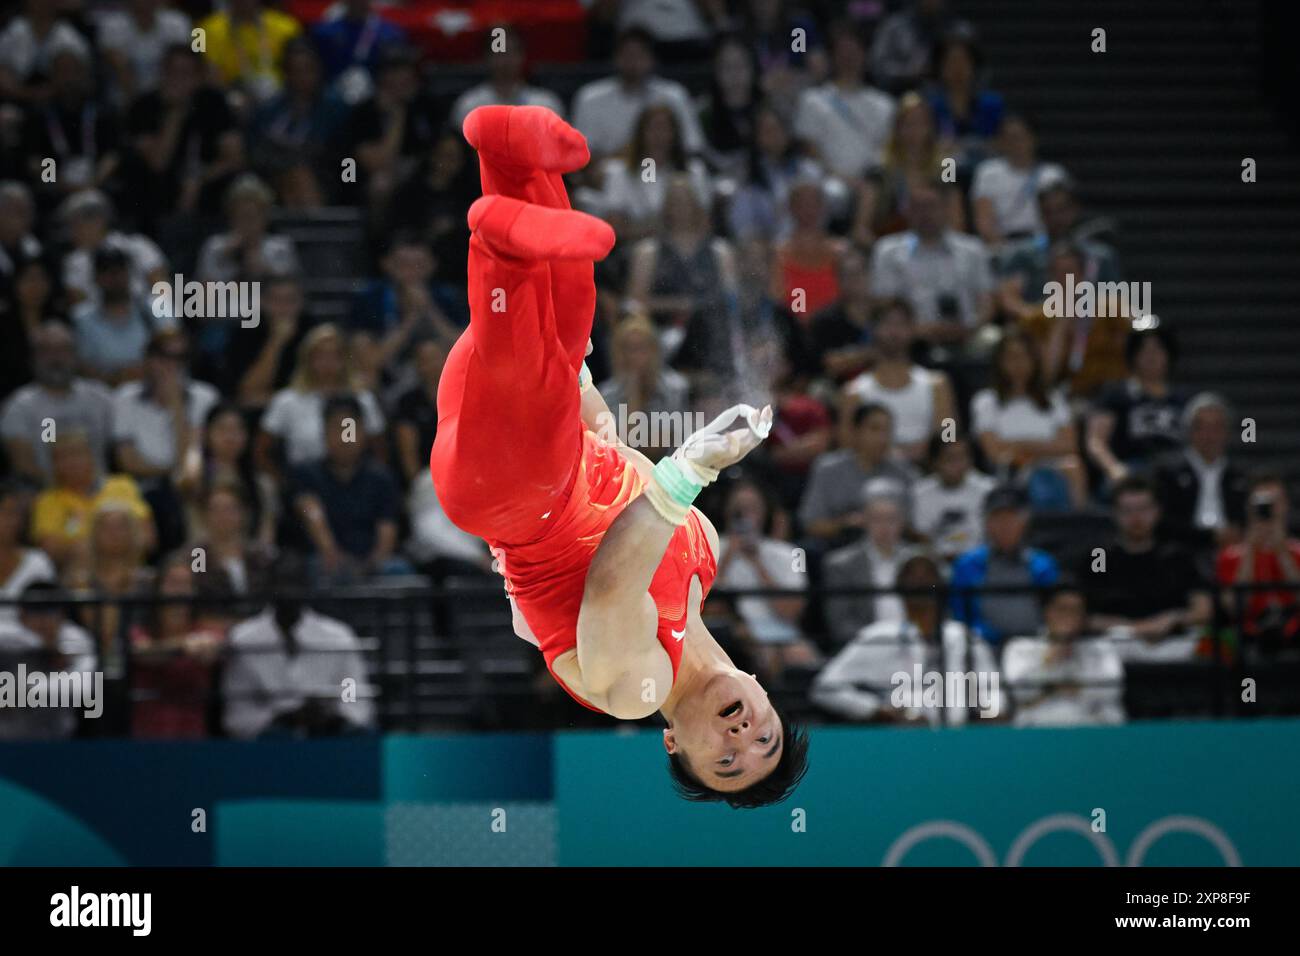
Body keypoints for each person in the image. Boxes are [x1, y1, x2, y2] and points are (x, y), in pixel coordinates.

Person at [429, 106, 807, 806]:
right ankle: (509, 154)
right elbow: (613, 453)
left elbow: (609, 583)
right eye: (766, 740)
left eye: (725, 762)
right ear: (767, 697)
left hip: (510, 488)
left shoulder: (637, 689)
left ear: (674, 745)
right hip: (538, 423)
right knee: (571, 311)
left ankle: (501, 244)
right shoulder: (706, 550)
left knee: (545, 345)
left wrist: (692, 468)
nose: (742, 737)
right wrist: (586, 389)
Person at [812, 552, 1001, 725]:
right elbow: (825, 687)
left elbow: (993, 695)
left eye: (928, 575)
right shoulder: (879, 636)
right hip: (901, 742)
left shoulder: (964, 636)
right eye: (912, 575)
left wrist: (988, 715)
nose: (920, 581)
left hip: (962, 740)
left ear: (942, 584)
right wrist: (877, 710)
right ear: (899, 584)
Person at [222, 553, 376, 738]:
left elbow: (352, 695)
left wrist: (333, 717)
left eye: (295, 583)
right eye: (282, 583)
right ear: (269, 587)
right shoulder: (244, 640)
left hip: (329, 738)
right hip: (268, 744)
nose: (288, 591)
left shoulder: (339, 638)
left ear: (308, 586)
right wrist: (284, 719)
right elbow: (238, 715)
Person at [1085, 476, 1210, 657]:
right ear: (1115, 513)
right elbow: (1081, 614)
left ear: (1157, 511)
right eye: (1127, 510)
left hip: (1171, 643)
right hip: (1116, 644)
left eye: (1143, 509)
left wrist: (1173, 619)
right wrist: (1133, 628)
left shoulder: (1178, 556)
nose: (1136, 517)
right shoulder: (1099, 557)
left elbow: (1203, 609)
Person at [290, 394, 406, 585]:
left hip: (371, 560)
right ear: (324, 433)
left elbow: (387, 529)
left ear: (363, 433)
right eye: (337, 429)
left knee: (398, 571)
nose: (344, 437)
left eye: (350, 429)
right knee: (320, 569)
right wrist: (331, 553)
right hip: (326, 559)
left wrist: (373, 563)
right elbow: (312, 515)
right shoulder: (307, 473)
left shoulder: (381, 477)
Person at [971, 329, 1085, 508]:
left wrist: (1020, 445)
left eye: (1024, 357)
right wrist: (1042, 448)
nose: (1018, 364)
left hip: (1053, 469)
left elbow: (1069, 445)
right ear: (999, 361)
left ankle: (1076, 522)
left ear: (1034, 360)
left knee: (1072, 466)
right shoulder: (986, 401)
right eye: (1012, 357)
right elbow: (993, 451)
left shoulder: (1053, 398)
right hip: (1011, 470)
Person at [712, 480, 814, 669]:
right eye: (738, 509)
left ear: (764, 512)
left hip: (780, 631)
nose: (744, 516)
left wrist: (757, 563)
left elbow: (792, 611)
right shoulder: (710, 546)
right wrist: (727, 559)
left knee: (803, 658)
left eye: (751, 509)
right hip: (730, 634)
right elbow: (704, 606)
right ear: (727, 512)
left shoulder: (790, 553)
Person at [840, 298, 957, 461]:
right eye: (887, 323)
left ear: (913, 330)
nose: (894, 331)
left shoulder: (937, 384)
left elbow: (949, 436)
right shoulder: (854, 392)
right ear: (873, 330)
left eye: (901, 324)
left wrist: (924, 451)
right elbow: (848, 447)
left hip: (926, 470)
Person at [1, 321, 115, 483]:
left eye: (64, 350)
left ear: (75, 355)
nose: (56, 358)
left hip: (102, 493)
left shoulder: (101, 398)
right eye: (46, 351)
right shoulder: (18, 406)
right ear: (33, 357)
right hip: (47, 494)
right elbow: (23, 465)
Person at [128, 551, 225, 738]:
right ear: (159, 588)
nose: (179, 591)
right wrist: (182, 646)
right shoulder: (142, 630)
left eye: (185, 585)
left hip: (191, 738)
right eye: (172, 583)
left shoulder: (205, 630)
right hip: (146, 738)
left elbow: (212, 650)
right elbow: (142, 652)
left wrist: (207, 646)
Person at [950, 483, 1060, 645]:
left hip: (1034, 648)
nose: (1004, 525)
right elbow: (960, 616)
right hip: (981, 647)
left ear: (1024, 521)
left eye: (1011, 517)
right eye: (997, 518)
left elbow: (1053, 614)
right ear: (986, 523)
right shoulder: (967, 565)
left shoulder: (1043, 565)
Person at [570, 27, 703, 160]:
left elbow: (692, 145)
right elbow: (579, 153)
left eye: (640, 55)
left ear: (652, 59)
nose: (633, 62)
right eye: (628, 55)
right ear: (616, 58)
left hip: (663, 171)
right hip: (611, 173)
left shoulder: (675, 95)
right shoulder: (590, 97)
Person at [1002, 583, 1124, 727]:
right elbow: (1019, 693)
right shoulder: (1020, 647)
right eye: (1062, 609)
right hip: (1038, 728)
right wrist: (1054, 653)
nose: (1068, 616)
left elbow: (1111, 693)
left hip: (1091, 728)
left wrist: (1050, 688)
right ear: (1047, 612)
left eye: (1076, 611)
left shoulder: (1102, 648)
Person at [798, 402, 916, 546]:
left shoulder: (902, 470)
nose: (882, 438)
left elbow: (912, 523)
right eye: (874, 429)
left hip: (891, 545)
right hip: (840, 543)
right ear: (856, 431)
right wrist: (845, 524)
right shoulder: (828, 468)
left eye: (887, 431)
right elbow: (810, 523)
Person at [1086, 325, 1188, 488]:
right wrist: (1114, 469)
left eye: (1157, 350)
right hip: (1131, 469)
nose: (1151, 357)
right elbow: (1095, 441)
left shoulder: (1182, 400)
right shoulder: (1115, 394)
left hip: (1174, 472)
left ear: (1169, 355)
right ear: (1134, 356)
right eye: (1144, 351)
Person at [822, 481, 917, 646]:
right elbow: (841, 624)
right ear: (864, 521)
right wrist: (875, 642)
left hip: (914, 644)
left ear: (902, 521)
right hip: (867, 648)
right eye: (877, 519)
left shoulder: (920, 562)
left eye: (891, 519)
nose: (884, 527)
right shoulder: (841, 565)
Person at [1153, 392, 1249, 554]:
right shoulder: (1167, 471)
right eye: (1200, 427)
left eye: (1216, 427)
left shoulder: (1240, 474)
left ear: (1227, 432)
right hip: (1182, 551)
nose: (1209, 435)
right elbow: (1160, 521)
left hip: (1234, 552)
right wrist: (1209, 536)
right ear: (1189, 431)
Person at [0, 581, 97, 740]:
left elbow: (83, 688)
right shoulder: (8, 636)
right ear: (21, 614)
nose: (43, 620)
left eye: (50, 611)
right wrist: (42, 646)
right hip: (7, 744)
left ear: (62, 614)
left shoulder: (76, 638)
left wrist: (16, 690)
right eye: (35, 612)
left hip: (57, 742)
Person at [1215, 471, 1300, 652]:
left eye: (1275, 502)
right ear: (1250, 508)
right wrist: (1251, 551)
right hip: (1248, 639)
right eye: (1262, 503)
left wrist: (1282, 552)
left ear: (1286, 505)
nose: (1269, 509)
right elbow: (1233, 608)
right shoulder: (1230, 555)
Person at [450, 24, 564, 127]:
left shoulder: (546, 104)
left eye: (510, 52)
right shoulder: (469, 105)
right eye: (499, 53)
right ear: (486, 57)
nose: (505, 60)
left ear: (522, 55)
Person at [912, 433, 996, 562]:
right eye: (950, 458)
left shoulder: (988, 489)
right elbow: (922, 536)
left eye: (962, 457)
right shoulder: (920, 493)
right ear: (935, 462)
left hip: (978, 561)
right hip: (936, 562)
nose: (957, 464)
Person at [0, 482, 56, 624]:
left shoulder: (38, 561)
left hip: (28, 642)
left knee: (77, 639)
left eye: (13, 513)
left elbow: (49, 617)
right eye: (4, 512)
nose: (10, 521)